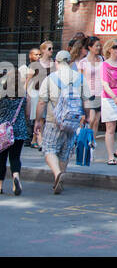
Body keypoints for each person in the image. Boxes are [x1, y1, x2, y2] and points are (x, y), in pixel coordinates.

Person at [34, 51, 86, 194]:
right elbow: (86, 101)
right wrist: (85, 117)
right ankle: (60, 180)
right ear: (69, 62)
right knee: (65, 151)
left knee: (49, 149)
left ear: (56, 62)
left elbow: (41, 103)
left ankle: (57, 173)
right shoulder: (80, 78)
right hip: (73, 121)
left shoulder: (50, 79)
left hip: (54, 121)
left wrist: (38, 121)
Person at [0, 93, 29, 195]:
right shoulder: (23, 96)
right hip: (19, 130)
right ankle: (16, 177)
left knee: (1, 158)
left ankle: (0, 186)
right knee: (15, 157)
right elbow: (27, 113)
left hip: (3, 130)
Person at [26, 42, 53, 150]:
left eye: (52, 48)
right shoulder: (35, 64)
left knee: (44, 118)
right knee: (40, 117)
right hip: (37, 92)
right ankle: (40, 140)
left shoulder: (53, 63)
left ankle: (34, 140)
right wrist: (27, 94)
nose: (51, 50)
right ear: (43, 50)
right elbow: (28, 80)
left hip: (50, 93)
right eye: (49, 49)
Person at [76, 36, 104, 134]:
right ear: (90, 47)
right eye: (96, 46)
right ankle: (84, 139)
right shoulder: (83, 62)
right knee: (90, 119)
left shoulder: (102, 59)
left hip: (100, 93)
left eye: (99, 46)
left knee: (96, 121)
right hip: (89, 94)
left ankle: (92, 143)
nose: (98, 48)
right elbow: (80, 80)